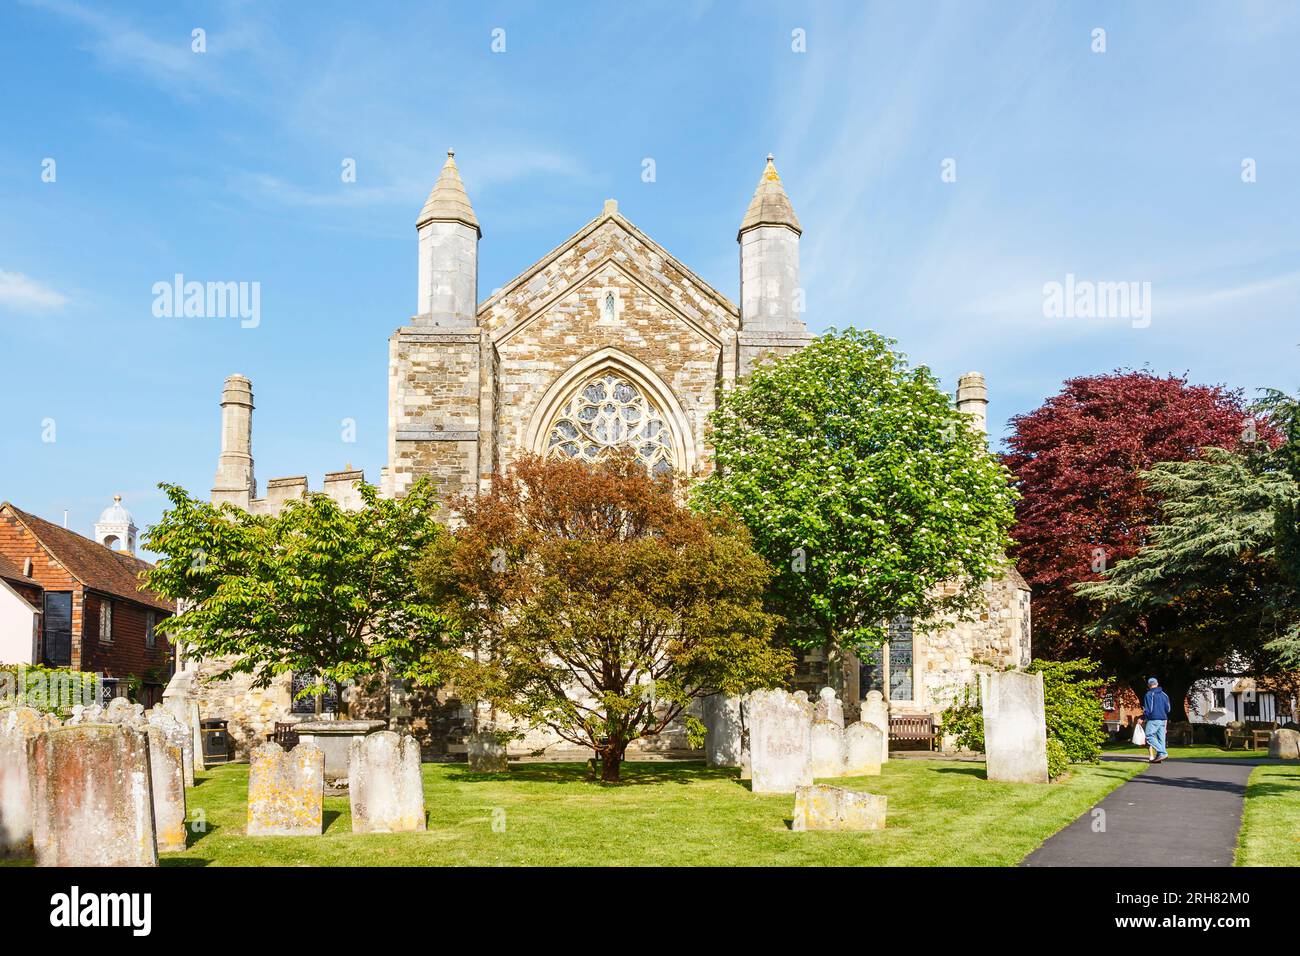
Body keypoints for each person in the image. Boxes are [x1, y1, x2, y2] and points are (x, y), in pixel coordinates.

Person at [1141, 677, 1172, 763]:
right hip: (1163, 719)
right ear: (1157, 684)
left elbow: (1148, 710)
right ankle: (1159, 756)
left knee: (1149, 736)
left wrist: (1143, 718)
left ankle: (1162, 753)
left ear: (1148, 685)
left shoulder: (1149, 694)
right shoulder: (1164, 695)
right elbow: (1168, 709)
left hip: (1153, 719)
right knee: (1161, 739)